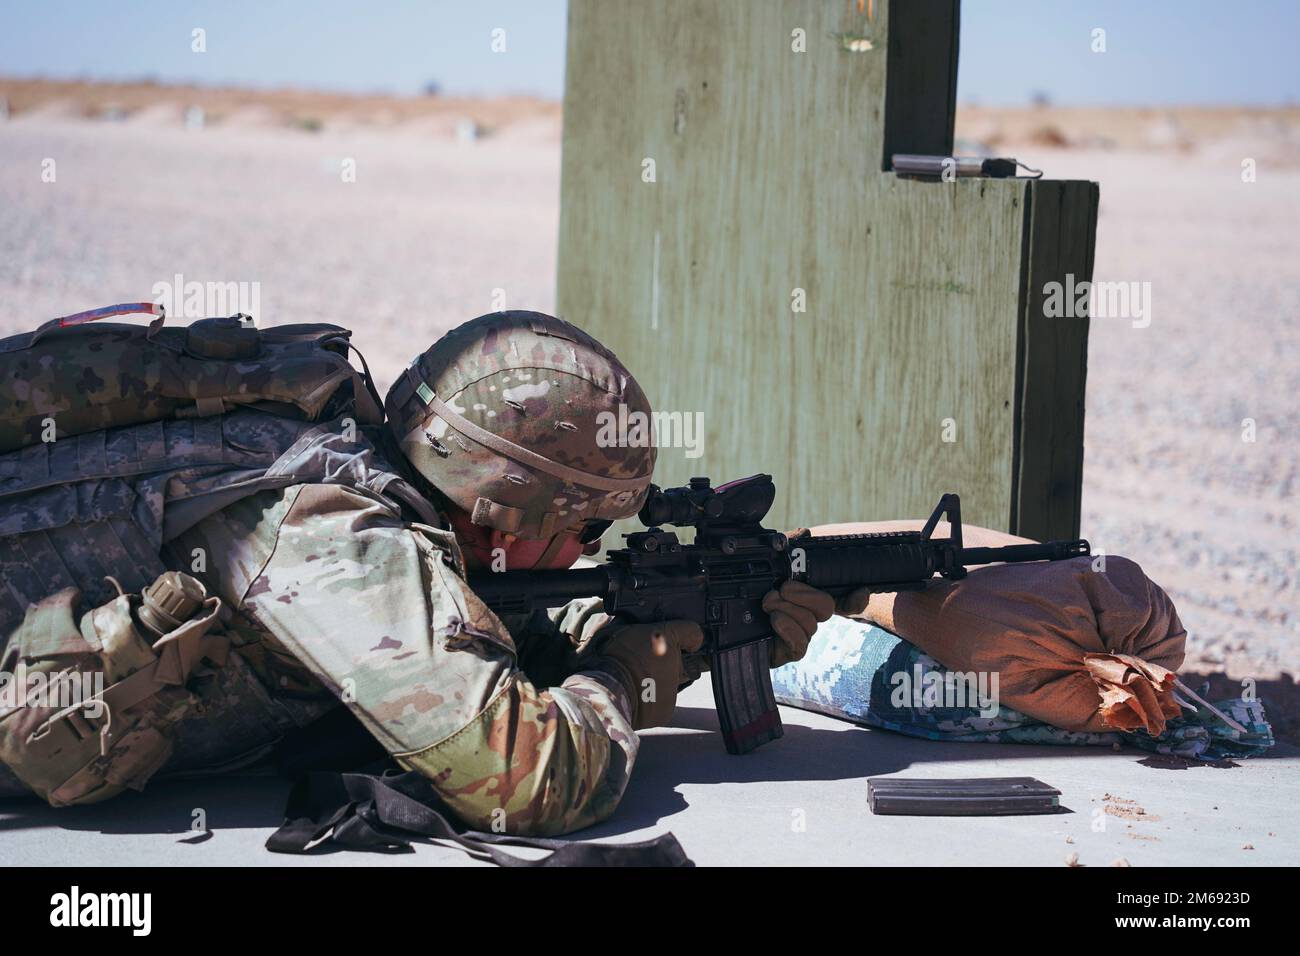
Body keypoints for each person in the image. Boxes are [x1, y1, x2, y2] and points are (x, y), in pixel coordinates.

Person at [0, 309, 833, 836]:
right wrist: (620, 680)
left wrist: (684, 636)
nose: (586, 553)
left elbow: (478, 622)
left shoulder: (378, 476)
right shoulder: (327, 535)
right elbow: (534, 781)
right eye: (583, 529)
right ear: (507, 506)